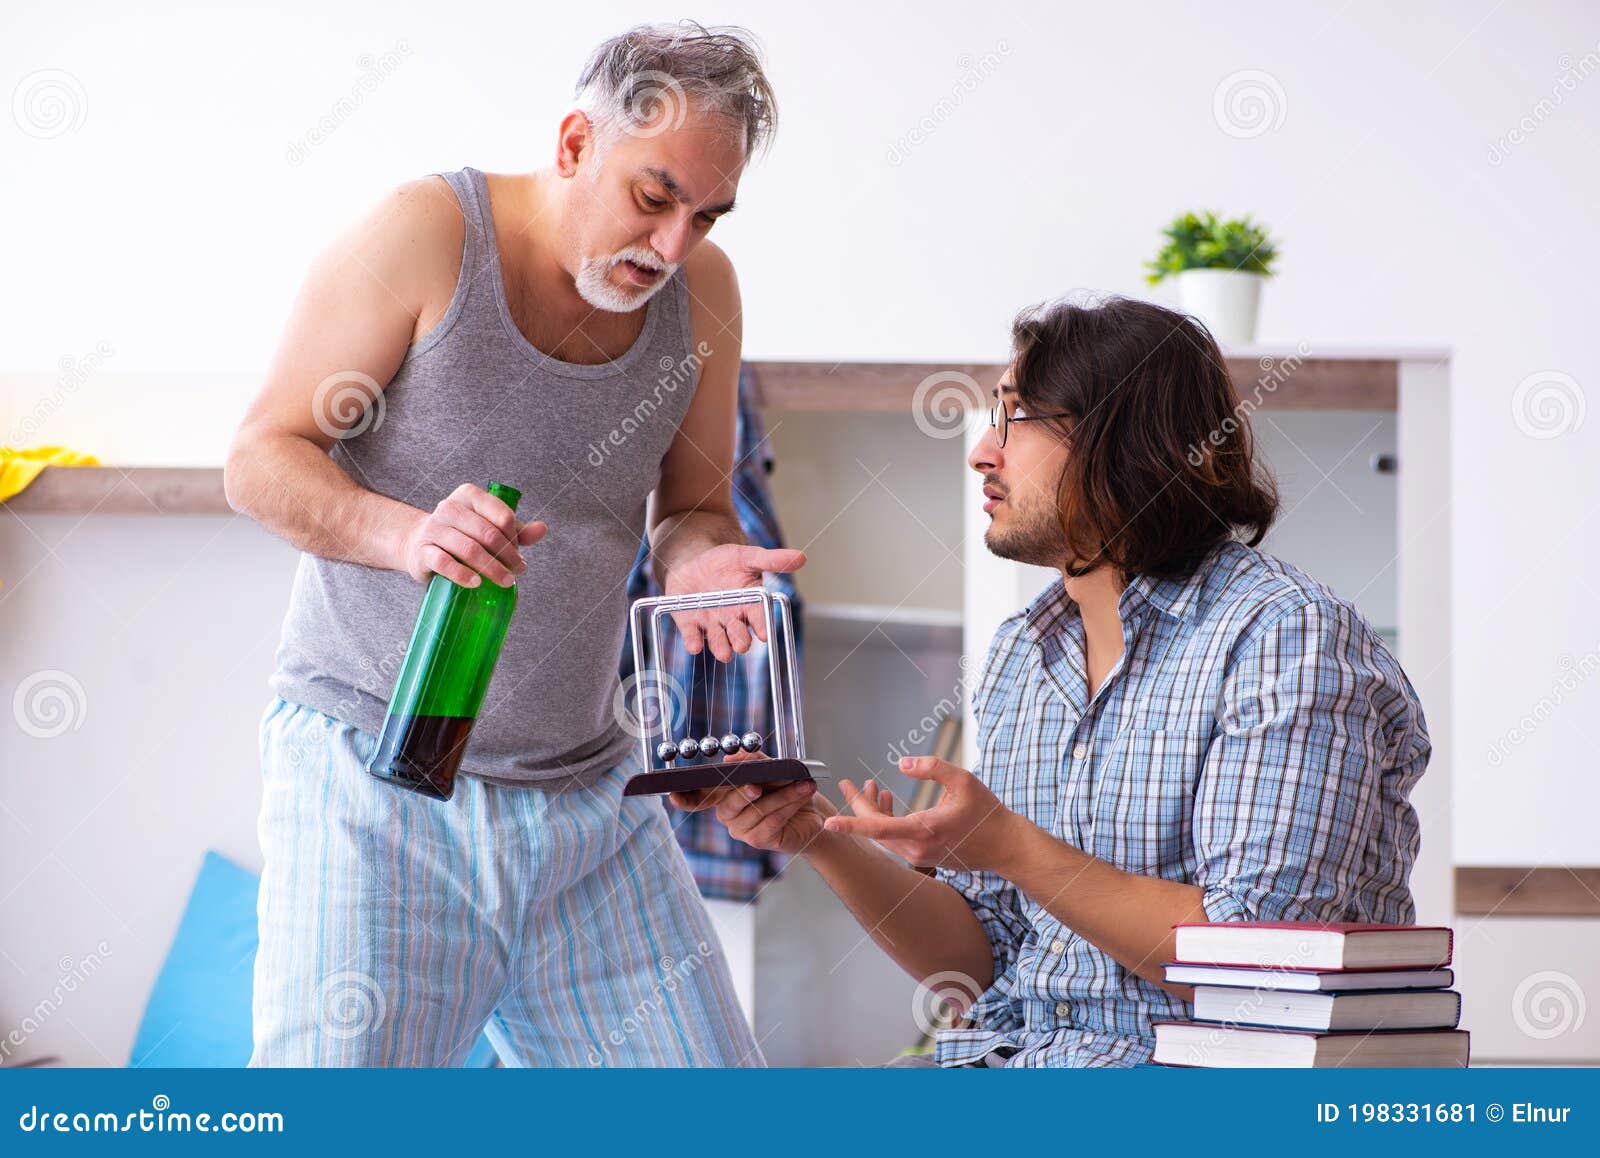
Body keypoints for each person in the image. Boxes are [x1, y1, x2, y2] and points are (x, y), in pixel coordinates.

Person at [226, 22, 801, 1067]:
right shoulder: (425, 231)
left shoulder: (703, 293)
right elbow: (263, 457)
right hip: (372, 784)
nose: (672, 247)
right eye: (654, 196)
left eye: (706, 215)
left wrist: (695, 555)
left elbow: (693, 507)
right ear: (577, 142)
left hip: (588, 802)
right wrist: (408, 536)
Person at [678, 296, 1430, 1067]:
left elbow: (1256, 959)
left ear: (1129, 442)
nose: (980, 451)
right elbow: (989, 960)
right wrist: (821, 843)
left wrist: (1011, 846)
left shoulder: (1283, 637)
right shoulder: (1022, 655)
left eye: (1017, 417)